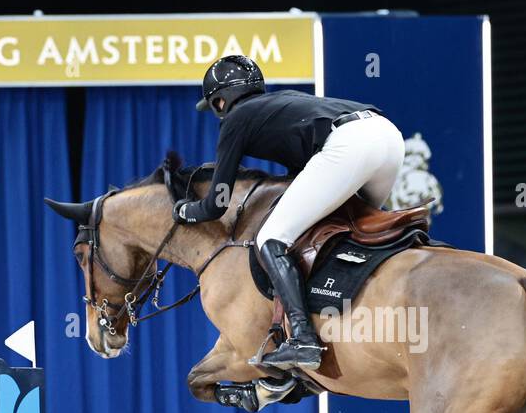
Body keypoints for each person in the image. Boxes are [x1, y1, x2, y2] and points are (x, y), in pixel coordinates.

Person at [173, 55, 406, 370]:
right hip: (387, 136)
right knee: (353, 229)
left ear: (219, 101)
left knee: (270, 237)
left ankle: (303, 337)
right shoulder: (284, 104)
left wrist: (186, 210)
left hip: (350, 145)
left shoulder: (237, 119)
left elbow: (218, 202)